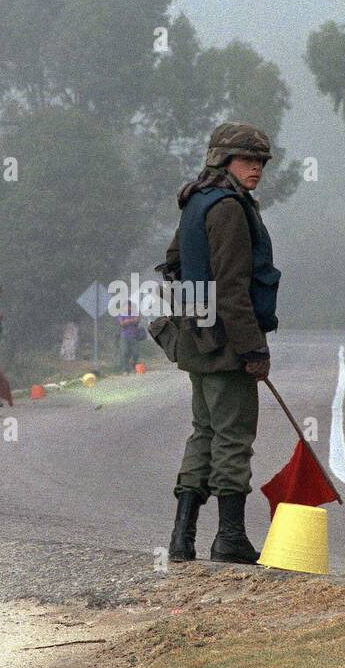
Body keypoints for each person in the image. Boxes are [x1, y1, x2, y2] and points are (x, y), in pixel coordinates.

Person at [157, 122, 280, 564]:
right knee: (232, 438)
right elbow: (232, 289)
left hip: (197, 341)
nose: (257, 169)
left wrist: (194, 308)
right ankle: (229, 539)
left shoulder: (196, 201)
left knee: (204, 432)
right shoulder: (229, 208)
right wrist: (253, 350)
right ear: (223, 160)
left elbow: (172, 263)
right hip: (227, 344)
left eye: (262, 162)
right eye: (248, 160)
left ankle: (181, 539)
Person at [117, 301, 143, 373]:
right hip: (124, 336)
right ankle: (125, 369)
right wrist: (132, 320)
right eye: (126, 306)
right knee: (124, 352)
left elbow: (137, 320)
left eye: (129, 306)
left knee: (136, 352)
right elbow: (122, 324)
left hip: (134, 336)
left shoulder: (135, 313)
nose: (128, 308)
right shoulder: (121, 314)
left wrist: (128, 321)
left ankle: (134, 364)